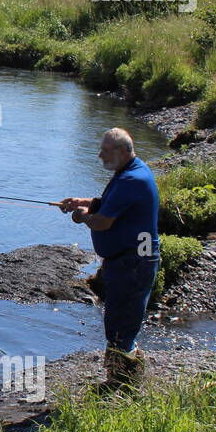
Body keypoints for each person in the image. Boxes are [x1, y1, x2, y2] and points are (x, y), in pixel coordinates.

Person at [59, 127, 160, 390]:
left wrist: (82, 217)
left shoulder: (131, 179)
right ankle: (124, 379)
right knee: (120, 320)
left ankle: (123, 385)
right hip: (132, 259)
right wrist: (84, 202)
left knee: (120, 324)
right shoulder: (130, 172)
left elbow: (103, 222)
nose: (99, 154)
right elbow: (109, 202)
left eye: (104, 151)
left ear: (122, 150)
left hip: (134, 262)